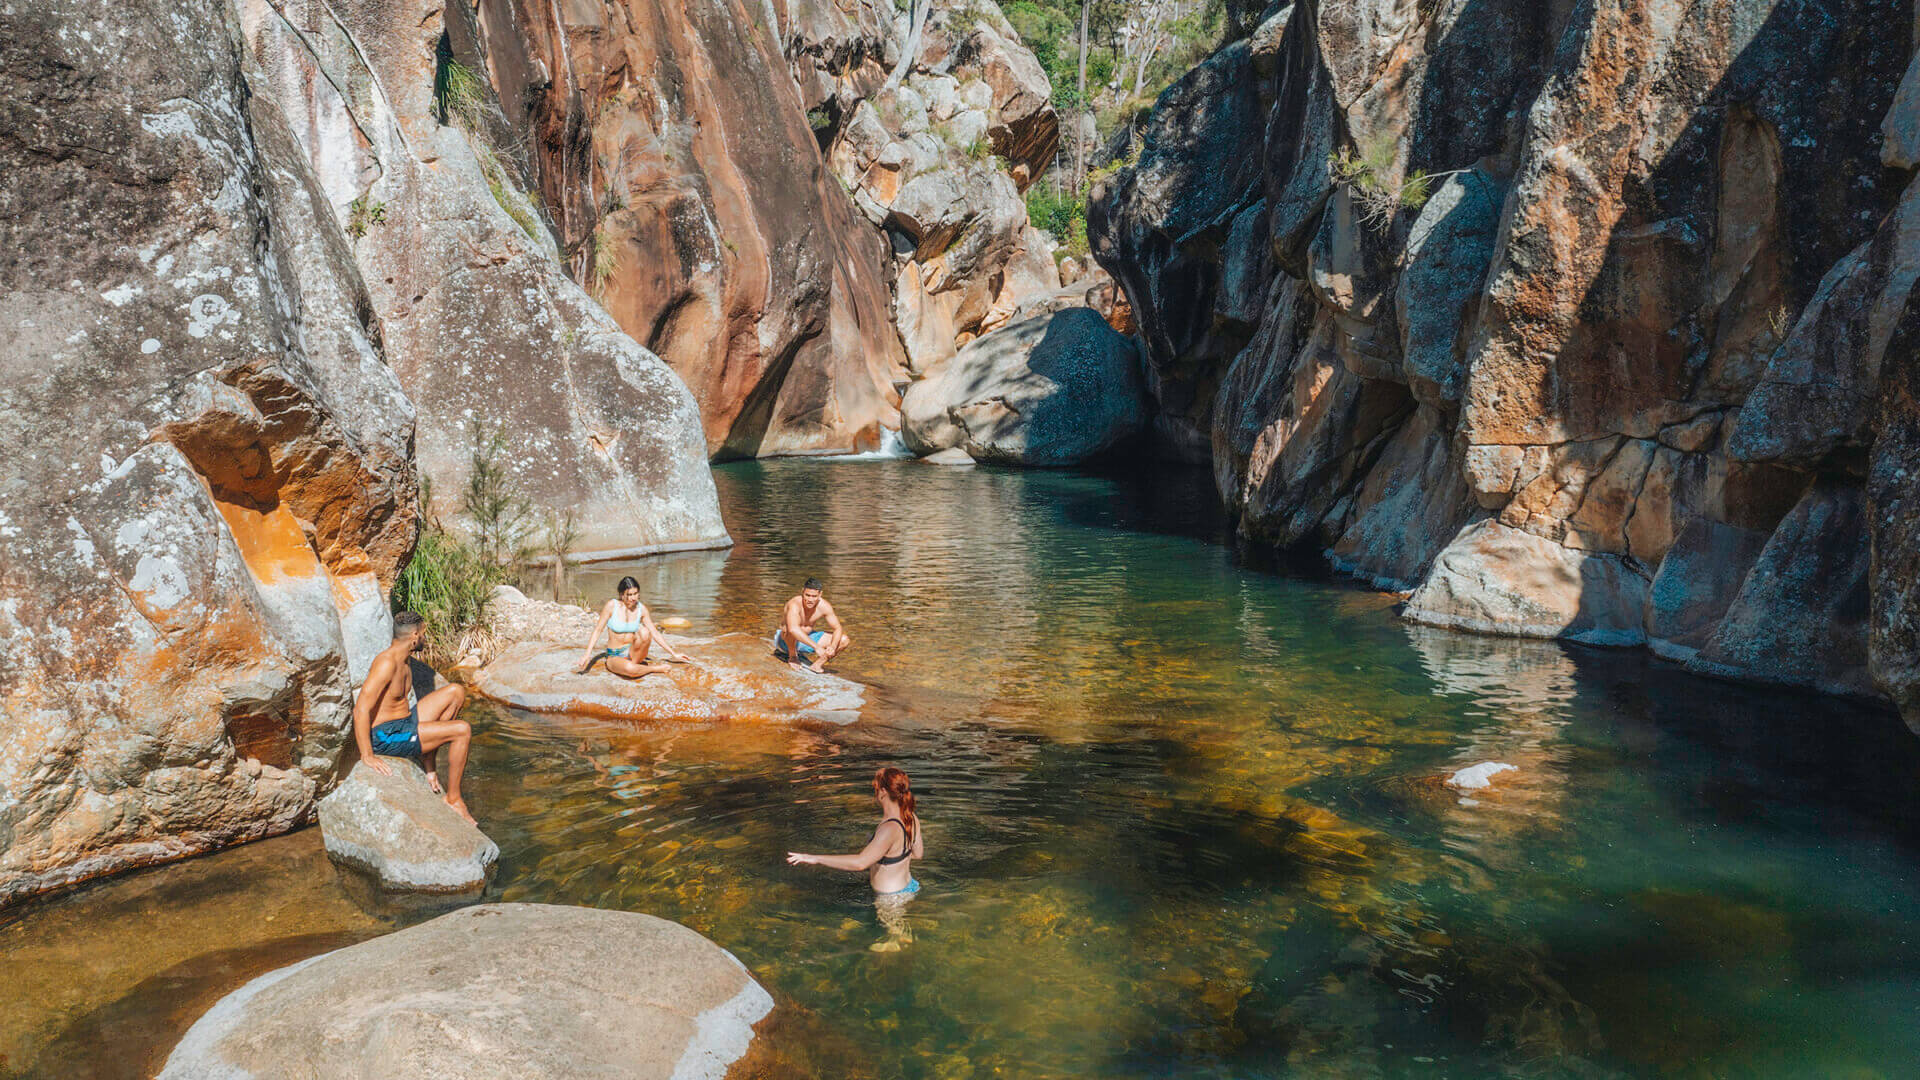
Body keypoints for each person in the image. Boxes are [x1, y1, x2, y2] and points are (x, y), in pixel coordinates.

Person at [353, 611, 477, 824]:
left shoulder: (404, 659)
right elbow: (361, 709)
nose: (425, 639)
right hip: (386, 736)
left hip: (405, 723)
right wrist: (367, 755)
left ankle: (427, 760)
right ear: (414, 636)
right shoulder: (386, 663)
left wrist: (430, 769)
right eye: (423, 634)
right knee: (461, 730)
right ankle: (454, 799)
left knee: (456, 691)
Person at [787, 767, 924, 951]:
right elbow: (918, 854)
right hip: (909, 886)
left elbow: (860, 863)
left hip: (890, 898)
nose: (875, 793)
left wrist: (814, 858)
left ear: (883, 792)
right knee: (901, 934)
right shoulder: (910, 817)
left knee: (897, 942)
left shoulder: (889, 828)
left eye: (875, 788)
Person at [578, 576, 690, 677]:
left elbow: (655, 633)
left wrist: (673, 653)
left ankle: (635, 666)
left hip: (634, 653)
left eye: (635, 593)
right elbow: (598, 630)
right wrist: (587, 655)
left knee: (645, 632)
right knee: (629, 669)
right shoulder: (612, 606)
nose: (633, 598)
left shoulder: (642, 609)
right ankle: (653, 669)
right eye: (629, 595)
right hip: (615, 655)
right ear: (622, 595)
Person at [774, 577, 850, 673]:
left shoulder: (824, 606)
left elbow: (837, 628)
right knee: (789, 629)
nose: (810, 599)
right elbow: (793, 629)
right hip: (785, 642)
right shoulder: (794, 604)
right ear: (802, 592)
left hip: (807, 639)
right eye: (807, 595)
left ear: (820, 594)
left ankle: (817, 665)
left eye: (814, 596)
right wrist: (817, 647)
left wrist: (833, 646)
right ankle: (793, 656)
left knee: (844, 640)